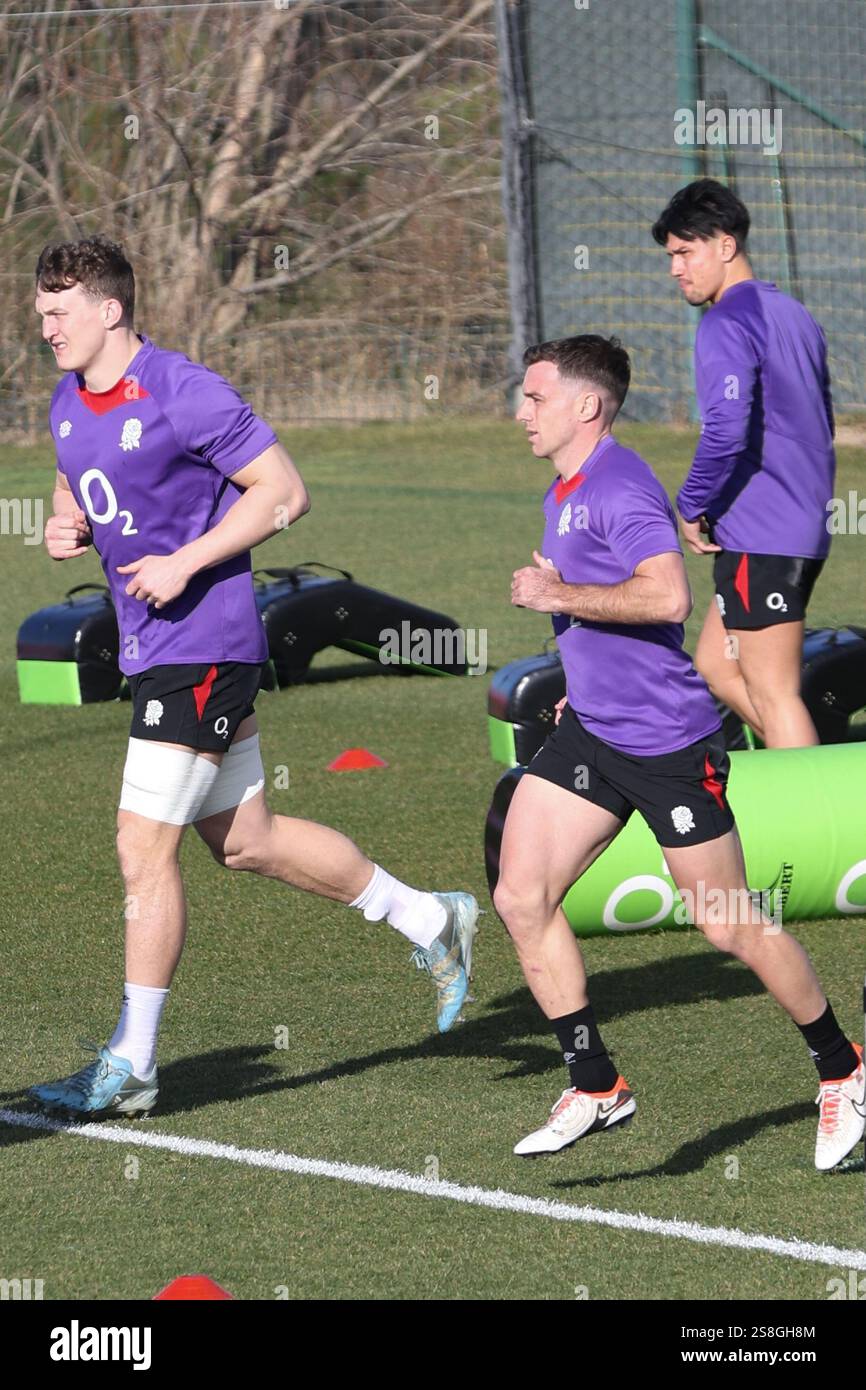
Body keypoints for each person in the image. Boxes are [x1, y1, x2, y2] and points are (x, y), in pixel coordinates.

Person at [30, 235, 478, 1119]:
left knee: (139, 845)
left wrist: (186, 561)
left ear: (110, 309)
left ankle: (133, 1064)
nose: (44, 326)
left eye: (59, 309)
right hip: (154, 650)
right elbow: (73, 481)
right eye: (40, 310)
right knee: (245, 840)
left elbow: (282, 491)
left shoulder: (184, 389)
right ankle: (431, 920)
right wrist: (65, 523)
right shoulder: (67, 401)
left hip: (205, 645)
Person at [495, 333, 863, 1171]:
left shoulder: (619, 485)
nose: (523, 411)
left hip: (667, 745)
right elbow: (604, 612)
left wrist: (554, 592)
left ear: (586, 405)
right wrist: (579, 678)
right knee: (522, 896)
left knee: (728, 923)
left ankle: (844, 1070)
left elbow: (666, 596)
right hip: (593, 729)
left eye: (535, 396)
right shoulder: (566, 486)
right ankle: (596, 1084)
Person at [652, 178, 836, 748]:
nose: (676, 269)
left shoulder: (725, 321)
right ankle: (802, 767)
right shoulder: (792, 313)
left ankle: (825, 822)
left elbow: (727, 430)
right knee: (717, 665)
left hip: (765, 532)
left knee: (774, 690)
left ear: (725, 245)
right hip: (794, 524)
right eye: (671, 256)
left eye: (686, 252)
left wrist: (691, 505)